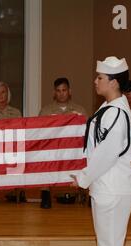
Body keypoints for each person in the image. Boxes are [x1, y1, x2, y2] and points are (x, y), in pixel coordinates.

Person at [71, 57, 131, 246]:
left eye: (100, 78)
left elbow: (106, 155)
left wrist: (82, 178)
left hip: (112, 188)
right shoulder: (110, 109)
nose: (95, 81)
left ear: (113, 82)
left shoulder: (116, 114)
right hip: (110, 186)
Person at [39, 78, 88, 209]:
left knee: (89, 154)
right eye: (58, 91)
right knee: (43, 157)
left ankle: (86, 192)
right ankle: (45, 193)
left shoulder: (80, 110)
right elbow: (40, 133)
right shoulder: (46, 111)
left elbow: (86, 131)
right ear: (54, 93)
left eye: (64, 90)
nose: (61, 93)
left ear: (69, 91)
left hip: (74, 149)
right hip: (53, 148)